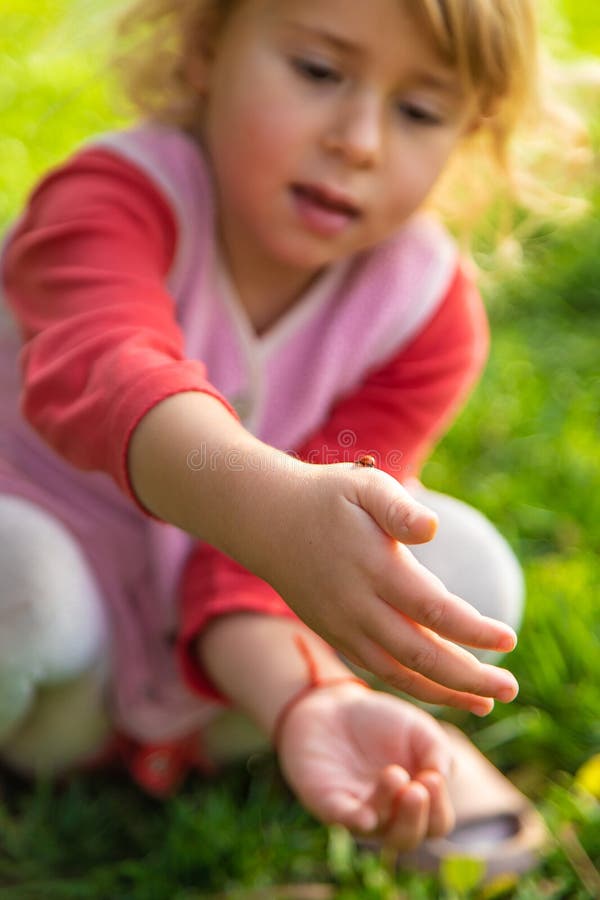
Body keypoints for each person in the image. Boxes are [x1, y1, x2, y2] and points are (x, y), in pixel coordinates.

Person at [0, 0, 548, 866]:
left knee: (467, 569)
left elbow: (290, 549)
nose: (360, 140)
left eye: (419, 112)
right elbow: (105, 373)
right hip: (62, 657)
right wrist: (272, 507)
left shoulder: (422, 309)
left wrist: (309, 699)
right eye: (320, 72)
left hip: (227, 679)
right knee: (19, 573)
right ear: (207, 48)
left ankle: (243, 739)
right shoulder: (110, 201)